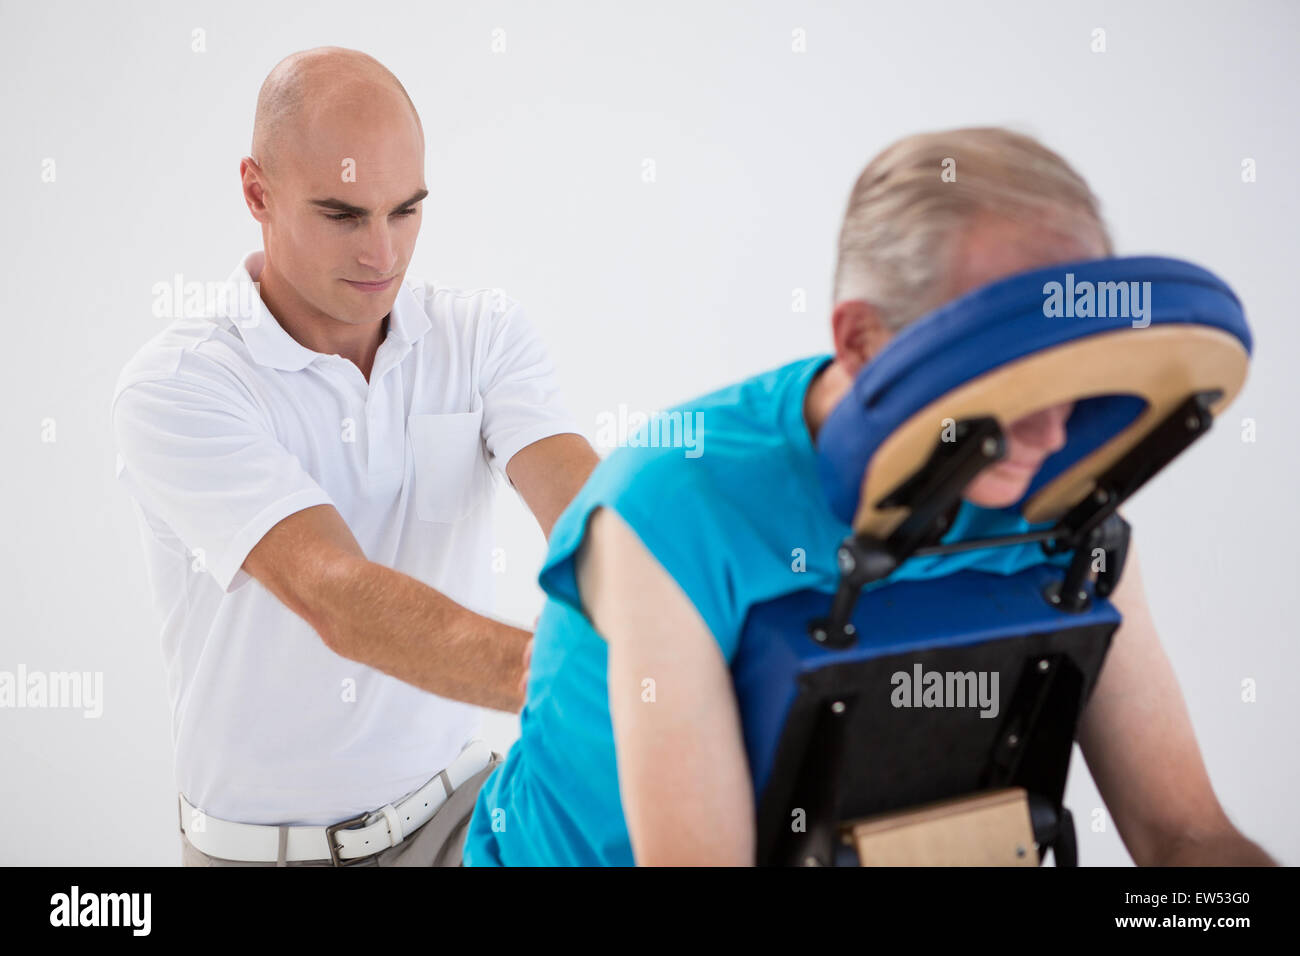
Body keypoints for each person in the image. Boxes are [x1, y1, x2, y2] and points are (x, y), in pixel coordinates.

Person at [462, 127, 1277, 867]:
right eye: (1008, 373)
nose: (1052, 429)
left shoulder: (1067, 505)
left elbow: (1187, 839)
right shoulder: (672, 508)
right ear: (860, 340)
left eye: (1068, 366)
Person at [111, 47, 599, 867]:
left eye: (405, 211)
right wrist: (581, 682)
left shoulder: (480, 334)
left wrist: (661, 622)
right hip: (265, 855)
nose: (384, 254)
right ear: (257, 192)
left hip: (463, 813)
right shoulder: (181, 385)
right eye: (343, 216)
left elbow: (587, 514)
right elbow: (338, 596)